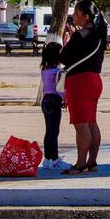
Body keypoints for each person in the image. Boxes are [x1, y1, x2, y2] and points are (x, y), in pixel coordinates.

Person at [60, 0, 107, 175]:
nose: (73, 16)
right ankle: (92, 162)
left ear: (85, 16)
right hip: (94, 80)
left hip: (80, 82)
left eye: (76, 13)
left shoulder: (80, 36)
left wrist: (71, 37)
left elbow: (64, 57)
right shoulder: (98, 35)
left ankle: (80, 164)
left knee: (81, 126)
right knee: (92, 123)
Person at [39, 42, 68, 170]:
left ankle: (47, 158)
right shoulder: (58, 70)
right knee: (55, 131)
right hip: (54, 100)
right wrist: (65, 99)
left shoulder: (44, 69)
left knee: (48, 130)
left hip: (45, 100)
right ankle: (55, 159)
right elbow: (60, 88)